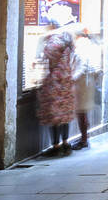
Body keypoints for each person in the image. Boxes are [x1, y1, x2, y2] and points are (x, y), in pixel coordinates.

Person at [38, 24, 78, 155]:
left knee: (55, 117)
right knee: (65, 116)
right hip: (67, 83)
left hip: (55, 82)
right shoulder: (67, 42)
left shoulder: (52, 42)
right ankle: (65, 144)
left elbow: (44, 57)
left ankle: (56, 146)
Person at [71, 26, 100, 149]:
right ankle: (84, 137)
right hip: (87, 83)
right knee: (83, 112)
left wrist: (71, 79)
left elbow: (82, 68)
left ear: (78, 36)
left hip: (82, 84)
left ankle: (83, 140)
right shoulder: (91, 46)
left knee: (81, 112)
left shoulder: (81, 48)